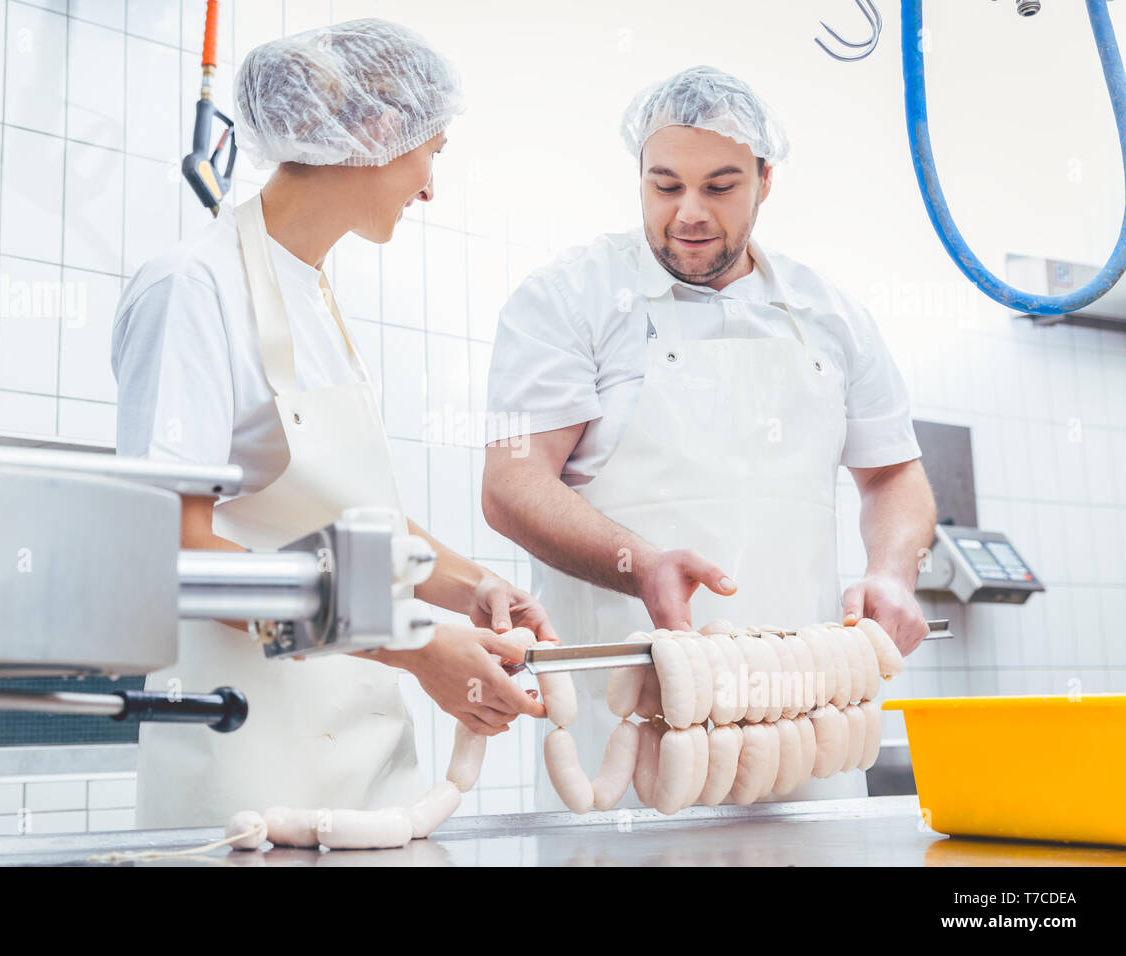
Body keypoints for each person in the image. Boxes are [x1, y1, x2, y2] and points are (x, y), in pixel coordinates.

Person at [111, 18, 556, 829]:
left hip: (368, 773)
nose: (429, 187)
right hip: (243, 769)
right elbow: (174, 552)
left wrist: (470, 589)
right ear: (380, 132)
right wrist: (416, 646)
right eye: (435, 150)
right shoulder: (193, 287)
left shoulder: (313, 298)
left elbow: (353, 526)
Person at [481, 66, 936, 810]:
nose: (689, 213)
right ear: (638, 176)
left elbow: (894, 475)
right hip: (632, 743)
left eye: (720, 187)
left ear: (765, 180)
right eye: (665, 186)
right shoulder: (564, 298)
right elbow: (511, 485)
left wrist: (892, 573)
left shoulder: (831, 313)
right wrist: (642, 566)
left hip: (808, 736)